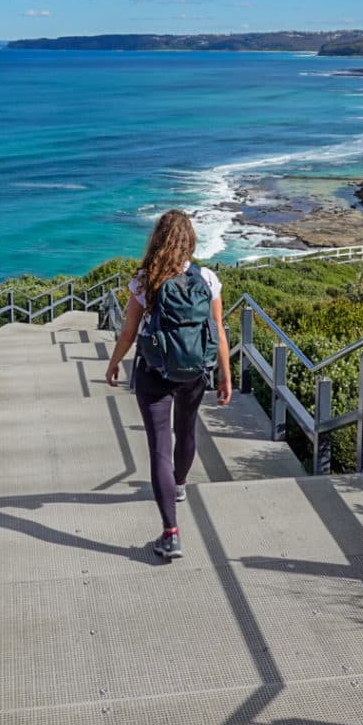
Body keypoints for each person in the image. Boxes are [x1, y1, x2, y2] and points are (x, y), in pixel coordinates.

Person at [104, 209, 232, 560]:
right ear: (190, 239)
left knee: (160, 447)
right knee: (187, 432)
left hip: (154, 372)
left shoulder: (146, 280)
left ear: (158, 239)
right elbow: (218, 330)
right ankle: (178, 486)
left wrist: (114, 363)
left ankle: (171, 534)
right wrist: (226, 374)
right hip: (195, 371)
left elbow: (129, 332)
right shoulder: (207, 278)